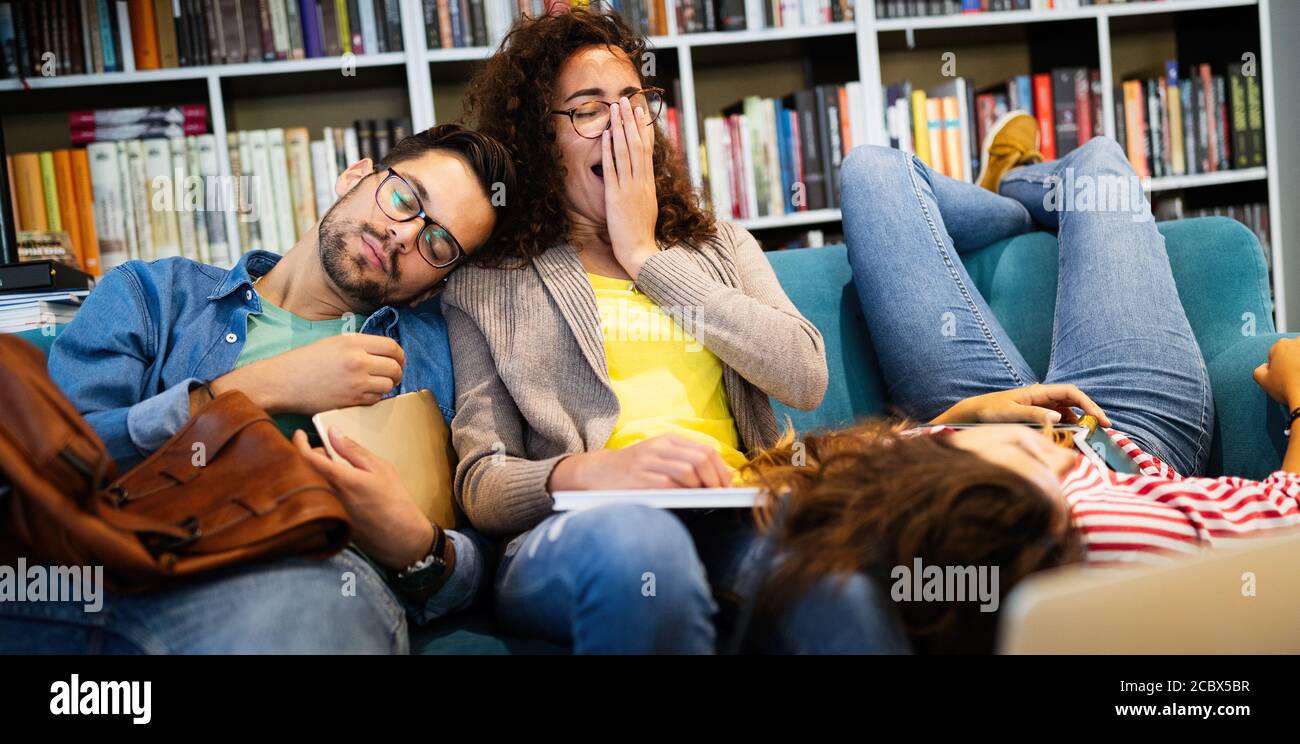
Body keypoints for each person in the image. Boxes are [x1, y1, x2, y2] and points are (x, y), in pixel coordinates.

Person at [738, 114, 1300, 653]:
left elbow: (809, 481)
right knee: (1098, 166)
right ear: (1043, 496)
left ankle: (1006, 210)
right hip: (1127, 427)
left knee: (871, 170)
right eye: (1040, 462)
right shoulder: (1108, 529)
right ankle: (1019, 180)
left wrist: (962, 420)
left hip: (964, 407)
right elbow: (1287, 518)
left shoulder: (922, 519)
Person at [442, 9, 906, 654]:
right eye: (587, 108)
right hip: (584, 534)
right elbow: (483, 484)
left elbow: (804, 374)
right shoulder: (487, 284)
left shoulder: (717, 244)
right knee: (642, 547)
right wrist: (593, 471)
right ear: (536, 137)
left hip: (735, 511)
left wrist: (647, 260)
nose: (622, 126)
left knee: (832, 575)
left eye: (633, 100)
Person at [0, 125, 516, 653]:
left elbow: (489, 562)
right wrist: (249, 390)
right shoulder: (152, 295)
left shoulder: (441, 355)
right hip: (110, 562)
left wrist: (418, 546)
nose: (406, 235)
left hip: (302, 580)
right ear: (355, 176)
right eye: (405, 199)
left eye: (437, 244)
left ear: (433, 286)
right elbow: (56, 466)